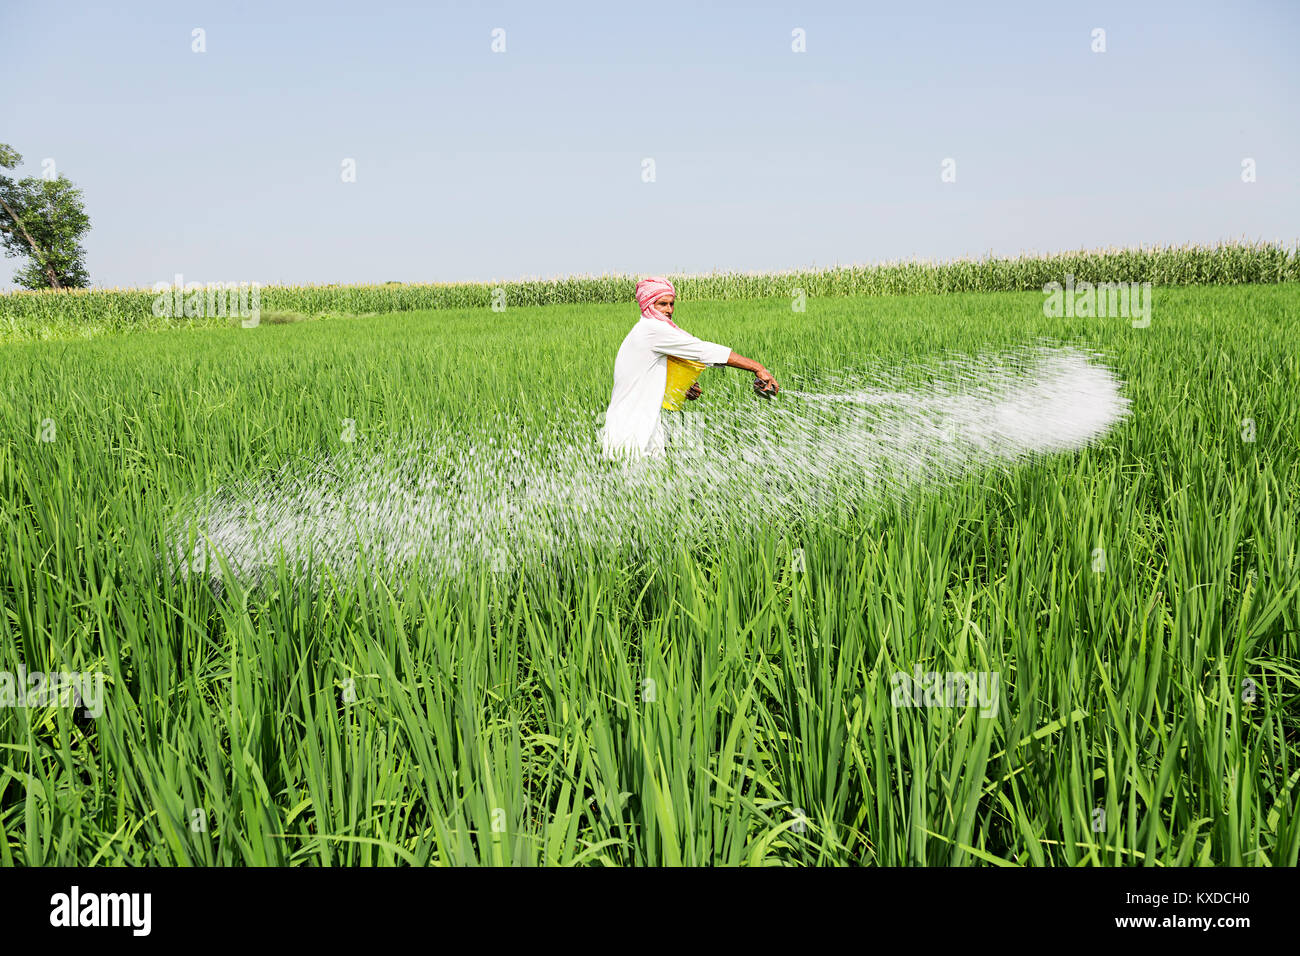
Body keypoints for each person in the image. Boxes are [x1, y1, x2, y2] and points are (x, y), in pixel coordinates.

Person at [600, 276, 780, 459]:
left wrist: (680, 388)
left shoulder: (644, 331)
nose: (669, 310)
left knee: (650, 484)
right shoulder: (651, 329)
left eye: (672, 304)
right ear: (649, 305)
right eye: (662, 304)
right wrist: (757, 368)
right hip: (631, 434)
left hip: (639, 429)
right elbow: (702, 350)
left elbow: (644, 378)